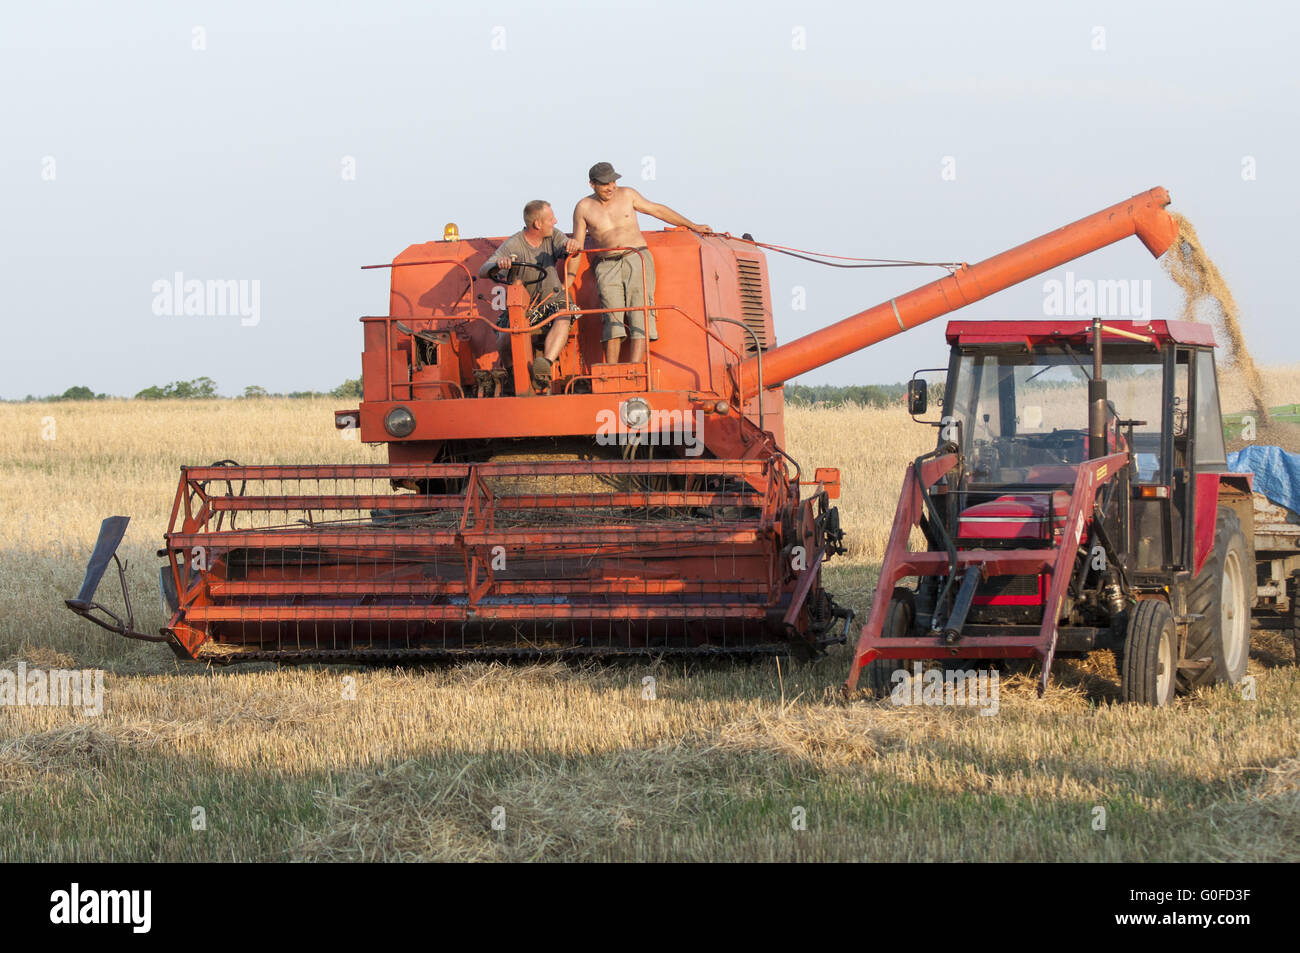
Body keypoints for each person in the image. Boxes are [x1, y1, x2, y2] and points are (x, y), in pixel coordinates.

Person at [570, 162, 711, 364]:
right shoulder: (583, 207)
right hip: (606, 264)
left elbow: (657, 210)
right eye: (604, 184)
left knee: (641, 313)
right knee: (611, 316)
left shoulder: (628, 195)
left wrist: (692, 225)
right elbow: (578, 246)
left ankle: (635, 370)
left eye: (613, 181)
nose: (611, 187)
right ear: (592, 184)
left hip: (636, 258)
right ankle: (611, 370)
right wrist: (569, 280)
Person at [480, 200, 579, 391]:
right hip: (523, 308)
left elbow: (565, 245)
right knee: (503, 339)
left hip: (552, 301)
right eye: (551, 219)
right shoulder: (514, 244)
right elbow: (484, 269)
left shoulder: (553, 237)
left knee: (564, 316)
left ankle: (544, 368)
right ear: (537, 224)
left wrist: (571, 246)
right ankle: (513, 376)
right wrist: (498, 264)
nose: (556, 221)